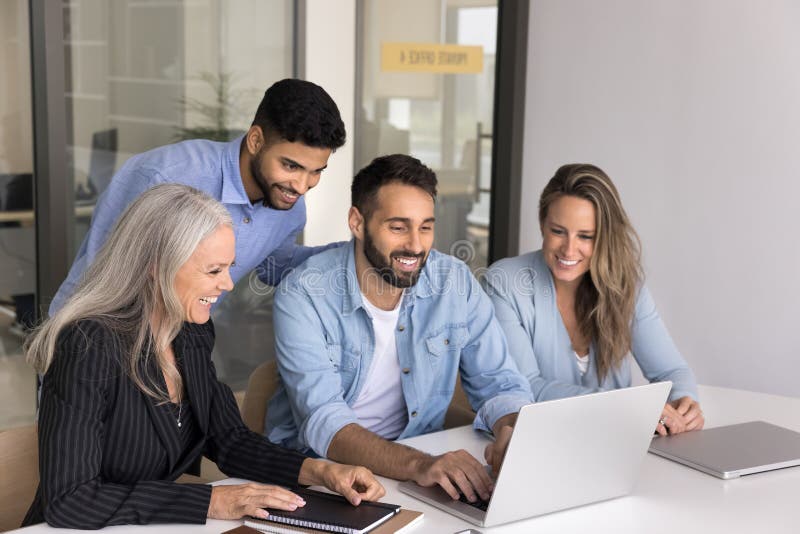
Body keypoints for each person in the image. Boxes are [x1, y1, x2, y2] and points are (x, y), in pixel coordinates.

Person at [23, 184, 383, 529]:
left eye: (229, 267)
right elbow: (70, 499)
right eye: (213, 270)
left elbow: (228, 439)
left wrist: (320, 471)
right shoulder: (88, 344)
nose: (227, 284)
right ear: (156, 266)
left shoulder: (191, 331)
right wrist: (211, 502)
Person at [266, 154, 533, 503]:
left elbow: (498, 382)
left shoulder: (454, 281)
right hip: (321, 477)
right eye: (398, 227)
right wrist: (419, 464)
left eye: (425, 227)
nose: (416, 245)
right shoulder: (303, 293)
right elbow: (324, 421)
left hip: (416, 468)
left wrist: (512, 430)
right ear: (357, 222)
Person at [50, 78, 345, 314]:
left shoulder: (289, 205)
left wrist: (354, 255)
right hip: (90, 339)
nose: (302, 185)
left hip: (177, 347)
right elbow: (107, 279)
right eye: (290, 166)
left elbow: (274, 266)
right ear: (256, 140)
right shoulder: (166, 176)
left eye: (316, 171)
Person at [482, 163, 704, 436]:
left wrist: (684, 405)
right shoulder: (504, 281)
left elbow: (671, 370)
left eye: (586, 236)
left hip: (615, 443)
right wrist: (623, 406)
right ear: (542, 224)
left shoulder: (626, 285)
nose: (569, 248)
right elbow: (526, 386)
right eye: (558, 231)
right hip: (544, 443)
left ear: (605, 238)